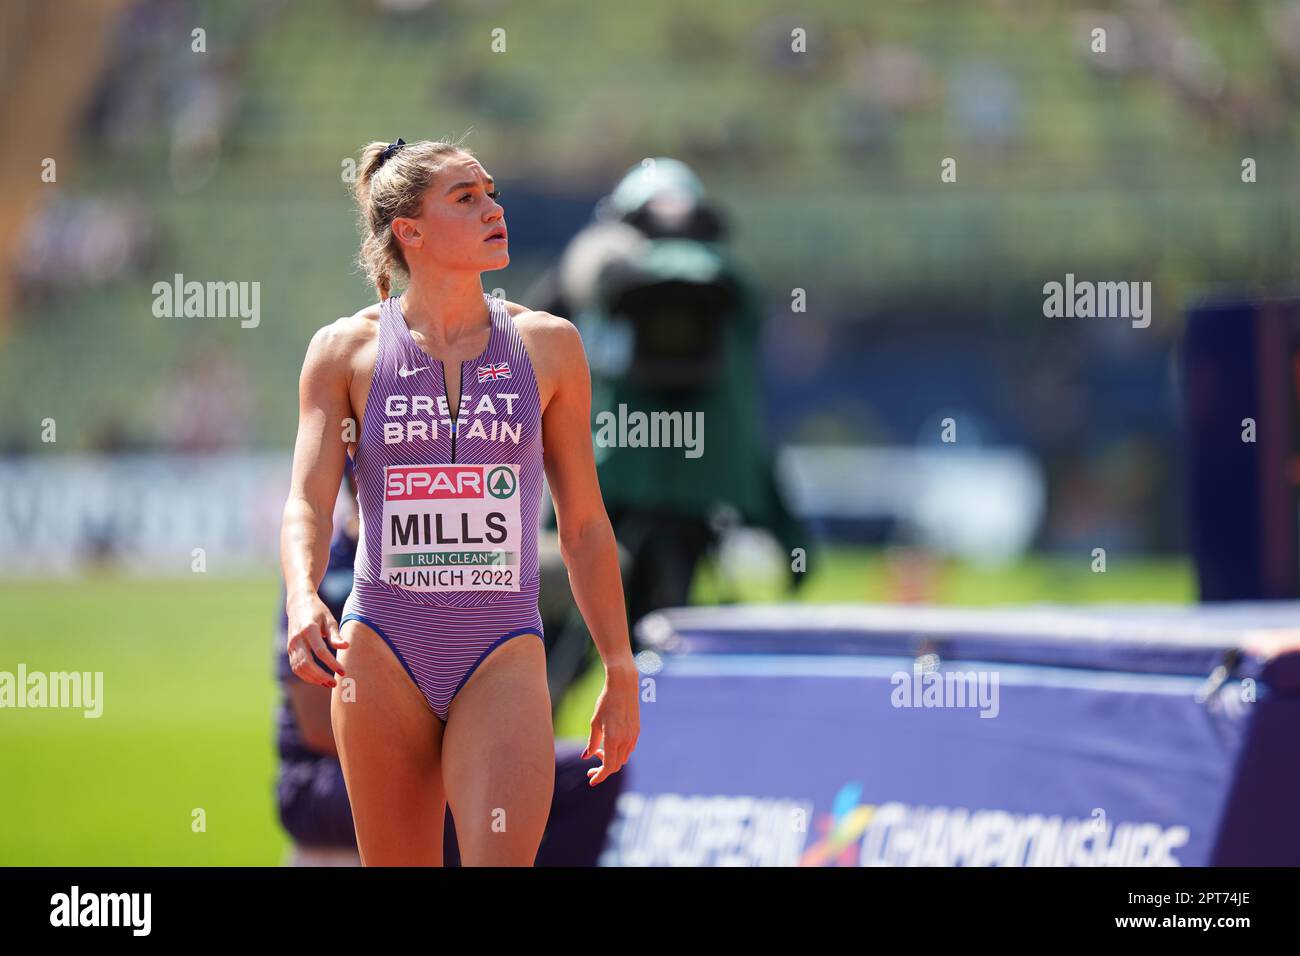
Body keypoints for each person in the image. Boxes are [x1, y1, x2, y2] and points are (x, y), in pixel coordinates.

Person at [279, 135, 638, 866]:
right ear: (408, 231)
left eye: (492, 192)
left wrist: (620, 666)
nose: (493, 209)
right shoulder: (344, 351)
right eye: (466, 197)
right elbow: (308, 504)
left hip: (500, 651)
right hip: (381, 649)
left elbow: (586, 526)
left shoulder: (549, 347)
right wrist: (302, 597)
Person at [273, 462, 627, 867]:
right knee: (462, 797)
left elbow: (582, 530)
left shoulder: (462, 561)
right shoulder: (323, 576)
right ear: (360, 472)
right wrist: (447, 746)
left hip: (438, 735)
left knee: (574, 782)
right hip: (321, 775)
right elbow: (315, 725)